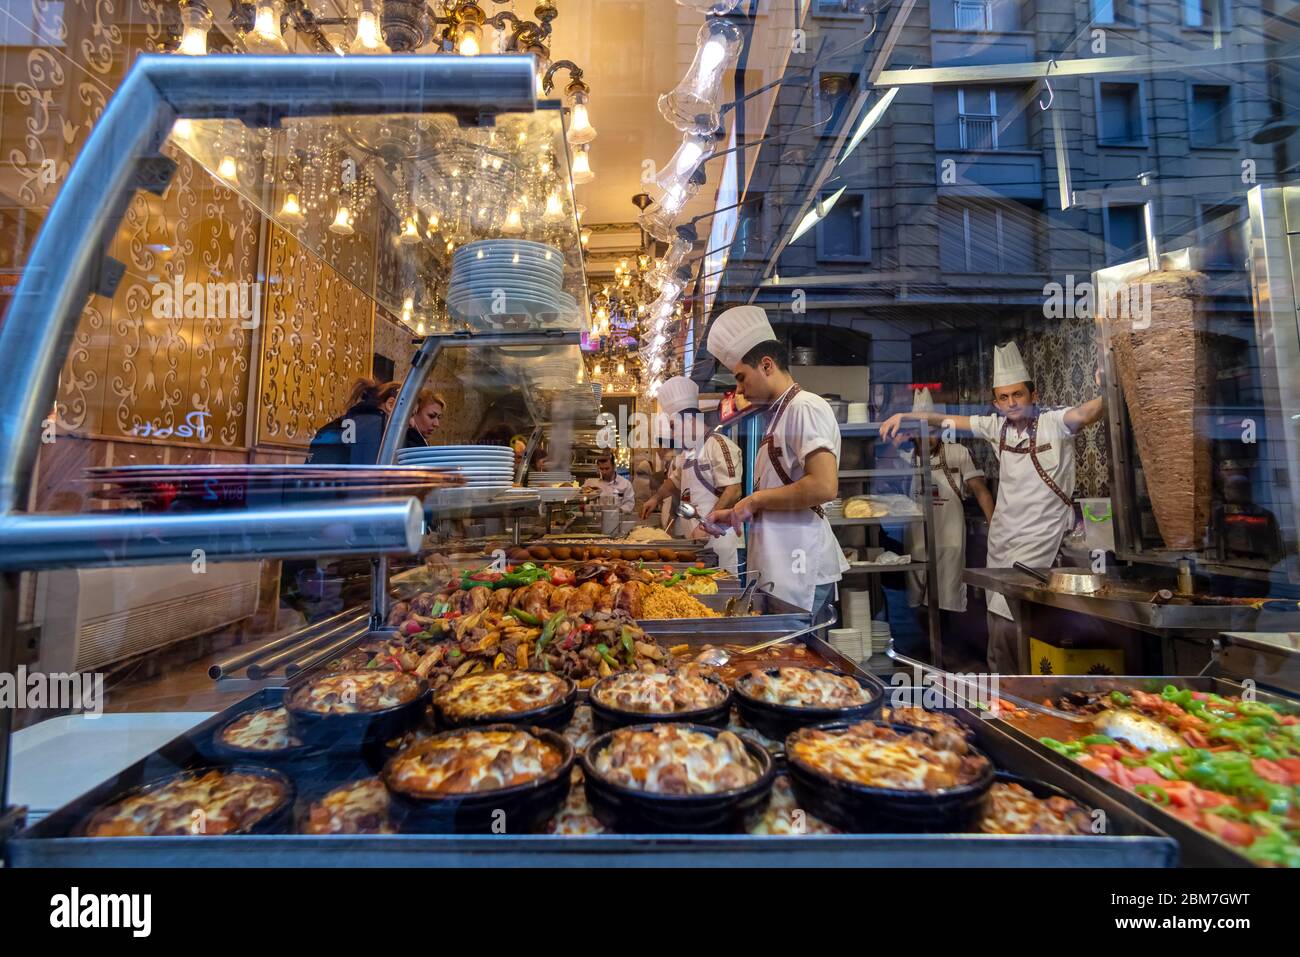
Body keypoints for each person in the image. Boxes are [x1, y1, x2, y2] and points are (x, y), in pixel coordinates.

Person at [881, 341, 1106, 671]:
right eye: (1004, 397)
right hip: (1001, 537)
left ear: (1033, 395)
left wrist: (1109, 388)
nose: (1011, 403)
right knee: (996, 613)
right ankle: (1002, 680)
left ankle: (1018, 682)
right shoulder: (994, 427)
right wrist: (905, 416)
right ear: (996, 403)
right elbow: (944, 419)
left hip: (1039, 537)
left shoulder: (1054, 422)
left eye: (1018, 395)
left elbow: (1086, 413)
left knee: (1017, 616)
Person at [704, 306, 847, 621]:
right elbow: (780, 492)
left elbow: (824, 486)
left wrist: (754, 501)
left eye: (741, 378)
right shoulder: (777, 417)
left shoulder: (805, 407)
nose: (740, 390)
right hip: (779, 572)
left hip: (801, 570)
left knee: (798, 654)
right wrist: (738, 511)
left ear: (766, 365)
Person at [890, 387, 994, 619]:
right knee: (918, 602)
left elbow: (981, 491)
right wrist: (895, 444)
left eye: (933, 431)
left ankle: (946, 639)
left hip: (950, 541)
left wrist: (995, 530)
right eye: (921, 432)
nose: (928, 438)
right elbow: (881, 467)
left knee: (947, 600)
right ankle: (924, 639)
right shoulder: (907, 458)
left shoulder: (958, 453)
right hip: (917, 541)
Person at [639, 376, 743, 574]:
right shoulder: (687, 453)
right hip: (695, 541)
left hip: (717, 541)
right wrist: (655, 498)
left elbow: (733, 490)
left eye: (673, 426)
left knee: (719, 587)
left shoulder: (718, 444)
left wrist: (706, 526)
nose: (672, 434)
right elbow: (674, 481)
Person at [307, 378, 400, 465]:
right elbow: (371, 471)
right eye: (408, 415)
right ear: (390, 404)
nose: (409, 423)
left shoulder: (345, 422)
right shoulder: (376, 426)